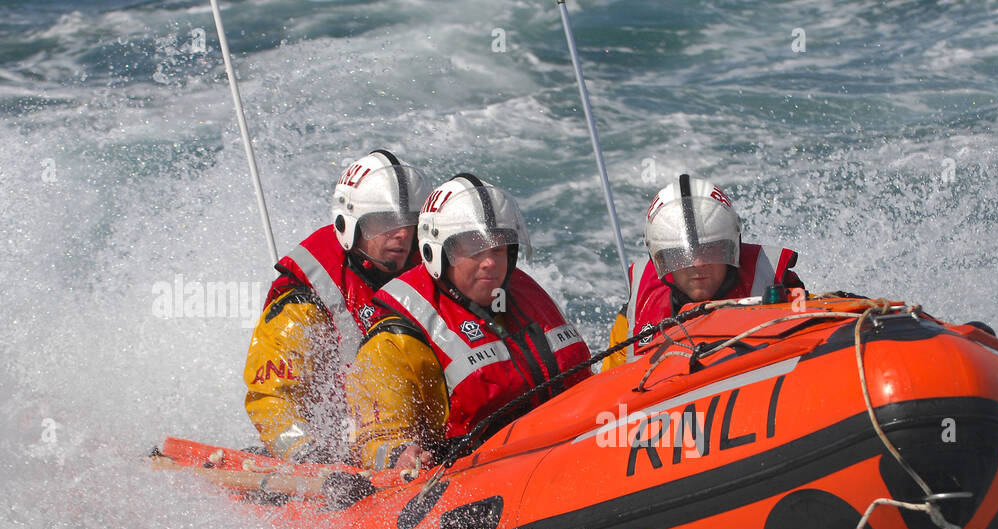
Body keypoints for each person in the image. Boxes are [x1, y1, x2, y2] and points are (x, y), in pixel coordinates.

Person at [347, 174, 593, 471]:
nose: (490, 262)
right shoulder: (396, 339)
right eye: (474, 248)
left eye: (498, 248)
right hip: (477, 478)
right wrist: (399, 454)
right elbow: (376, 439)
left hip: (564, 451)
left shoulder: (524, 297)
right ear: (437, 253)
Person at [243, 149, 430, 461]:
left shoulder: (434, 273)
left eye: (411, 222)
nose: (401, 234)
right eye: (385, 221)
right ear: (349, 224)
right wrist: (306, 454)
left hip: (419, 444)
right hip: (342, 456)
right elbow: (271, 400)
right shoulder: (304, 301)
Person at [603, 174, 804, 371]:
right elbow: (609, 387)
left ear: (731, 247)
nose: (698, 263)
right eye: (681, 255)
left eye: (710, 249)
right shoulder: (634, 313)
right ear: (662, 260)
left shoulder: (777, 281)